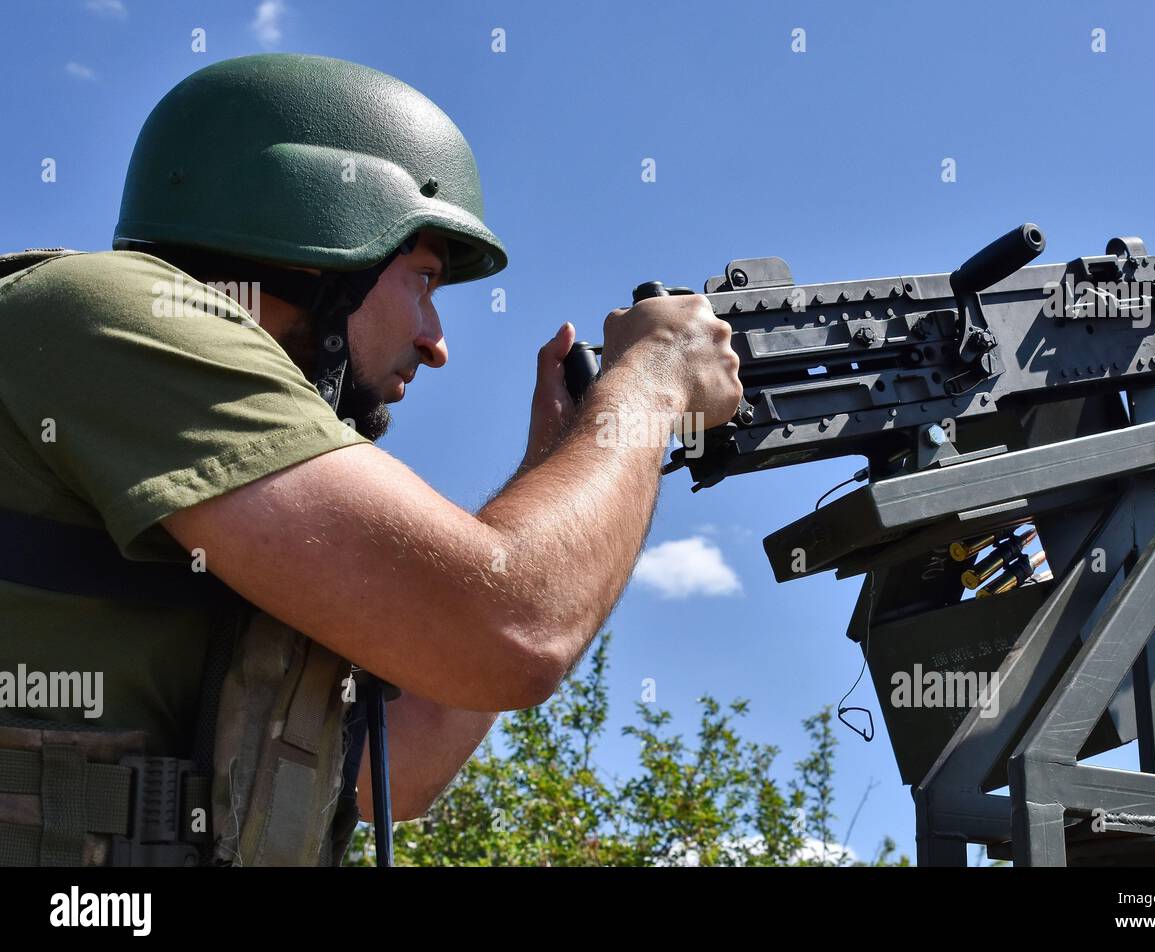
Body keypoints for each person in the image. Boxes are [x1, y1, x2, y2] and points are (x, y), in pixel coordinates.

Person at [0, 52, 741, 866]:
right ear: (321, 248)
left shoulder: (229, 482)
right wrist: (650, 387)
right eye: (423, 277)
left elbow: (400, 761)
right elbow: (517, 630)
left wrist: (557, 462)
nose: (436, 341)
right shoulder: (105, 315)